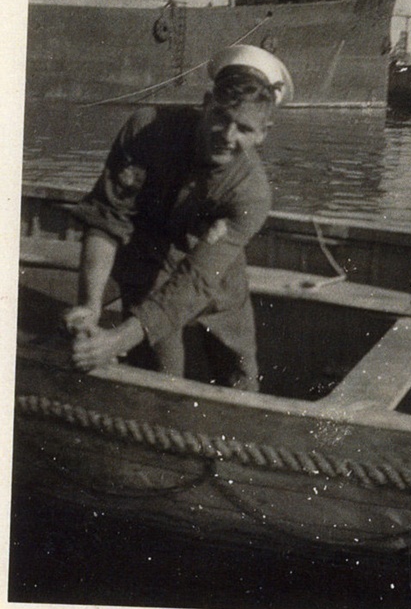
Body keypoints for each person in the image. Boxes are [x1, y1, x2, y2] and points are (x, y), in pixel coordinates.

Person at [64, 44, 293, 392]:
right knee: (158, 379)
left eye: (244, 128)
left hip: (216, 271)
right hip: (148, 260)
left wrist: (118, 340)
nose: (228, 137)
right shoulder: (147, 129)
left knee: (240, 375)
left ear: (264, 132)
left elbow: (198, 277)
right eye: (221, 117)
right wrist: (90, 306)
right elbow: (106, 219)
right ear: (205, 104)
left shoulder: (252, 193)